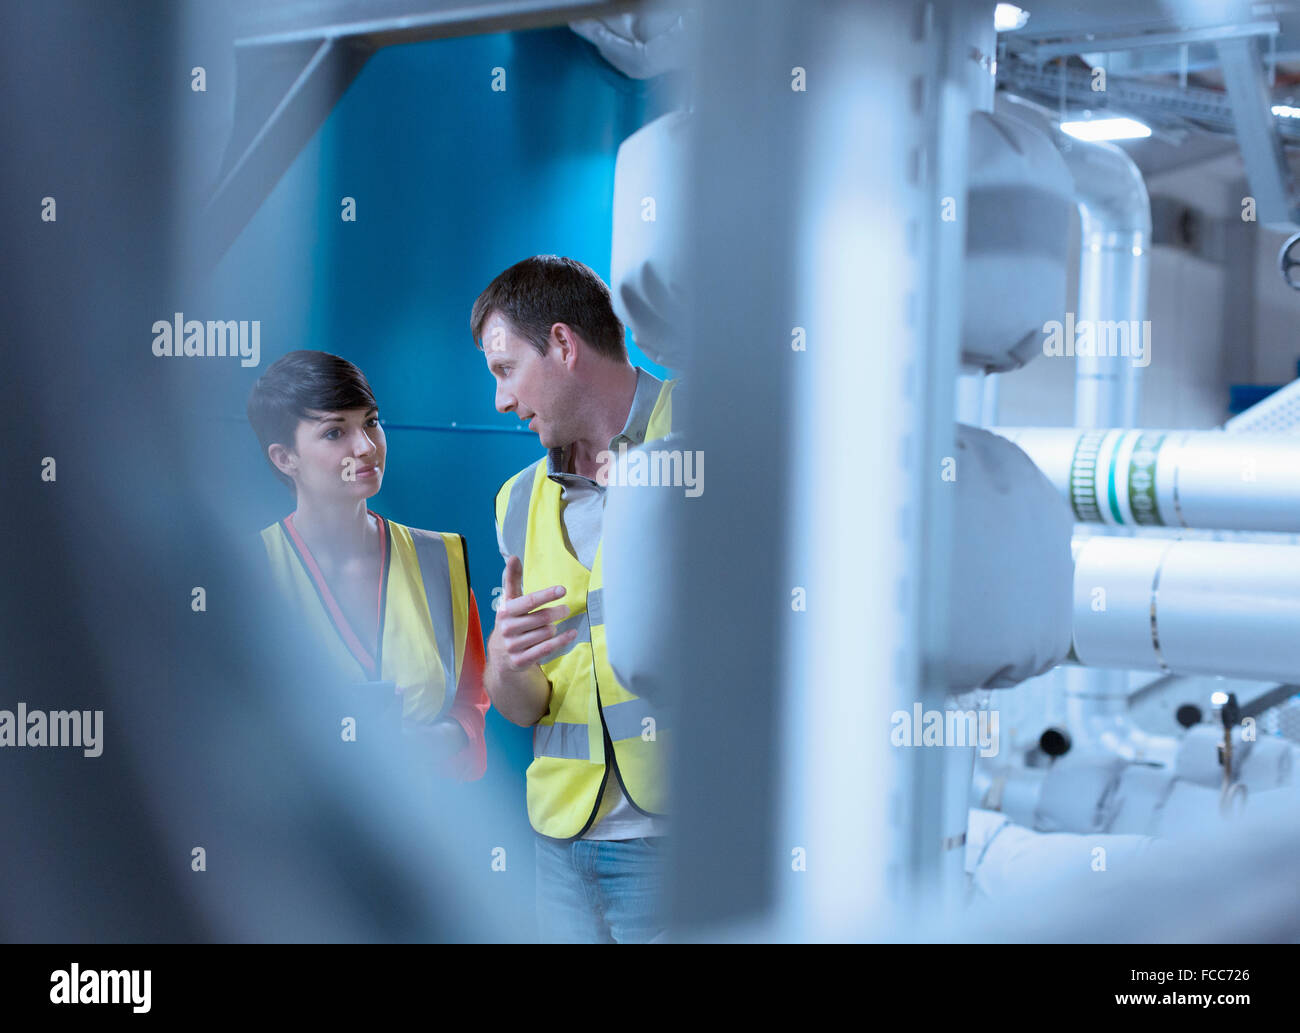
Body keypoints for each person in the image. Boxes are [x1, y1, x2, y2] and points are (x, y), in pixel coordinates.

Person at [471, 255, 675, 942]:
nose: (500, 400)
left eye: (505, 370)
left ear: (562, 345)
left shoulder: (704, 440)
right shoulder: (517, 499)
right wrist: (504, 662)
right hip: (559, 846)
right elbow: (523, 706)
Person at [246, 350, 488, 780]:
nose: (365, 447)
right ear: (285, 458)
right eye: (335, 432)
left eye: (371, 422)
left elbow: (471, 701)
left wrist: (428, 743)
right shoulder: (247, 573)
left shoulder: (438, 560)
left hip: (418, 833)